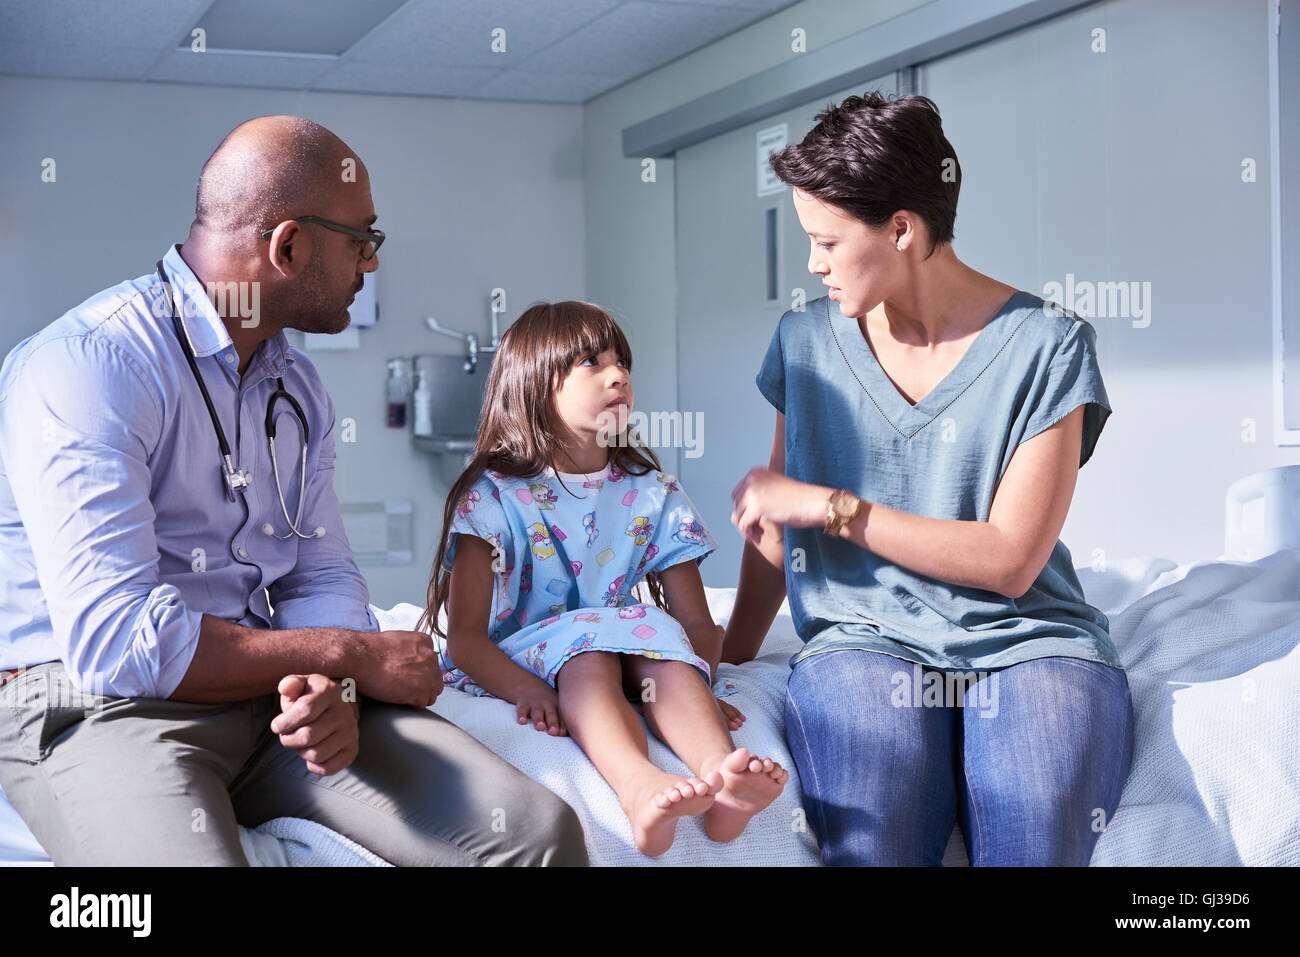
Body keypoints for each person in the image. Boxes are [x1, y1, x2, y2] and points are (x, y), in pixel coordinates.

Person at [0, 115, 586, 866]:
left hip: (266, 694)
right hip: (99, 704)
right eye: (362, 239)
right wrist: (347, 652)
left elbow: (318, 569)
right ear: (288, 246)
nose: (371, 262)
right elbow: (116, 640)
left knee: (536, 835)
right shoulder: (90, 366)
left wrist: (326, 685)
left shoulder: (298, 387)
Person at [723, 92, 1135, 866]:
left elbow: (1010, 560)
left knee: (1035, 823)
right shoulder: (805, 340)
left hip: (1029, 640)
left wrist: (833, 507)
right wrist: (729, 657)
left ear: (902, 229)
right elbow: (778, 529)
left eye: (827, 241)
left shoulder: (1048, 345)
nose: (813, 264)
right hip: (862, 638)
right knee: (874, 824)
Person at [421, 301, 788, 856]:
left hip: (620, 645)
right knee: (588, 655)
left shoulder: (652, 492)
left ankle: (724, 779)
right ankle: (639, 787)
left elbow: (694, 625)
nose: (618, 375)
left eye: (623, 362)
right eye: (591, 362)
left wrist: (698, 683)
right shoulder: (492, 495)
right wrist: (527, 690)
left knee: (659, 641)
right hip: (529, 654)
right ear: (533, 383)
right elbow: (465, 640)